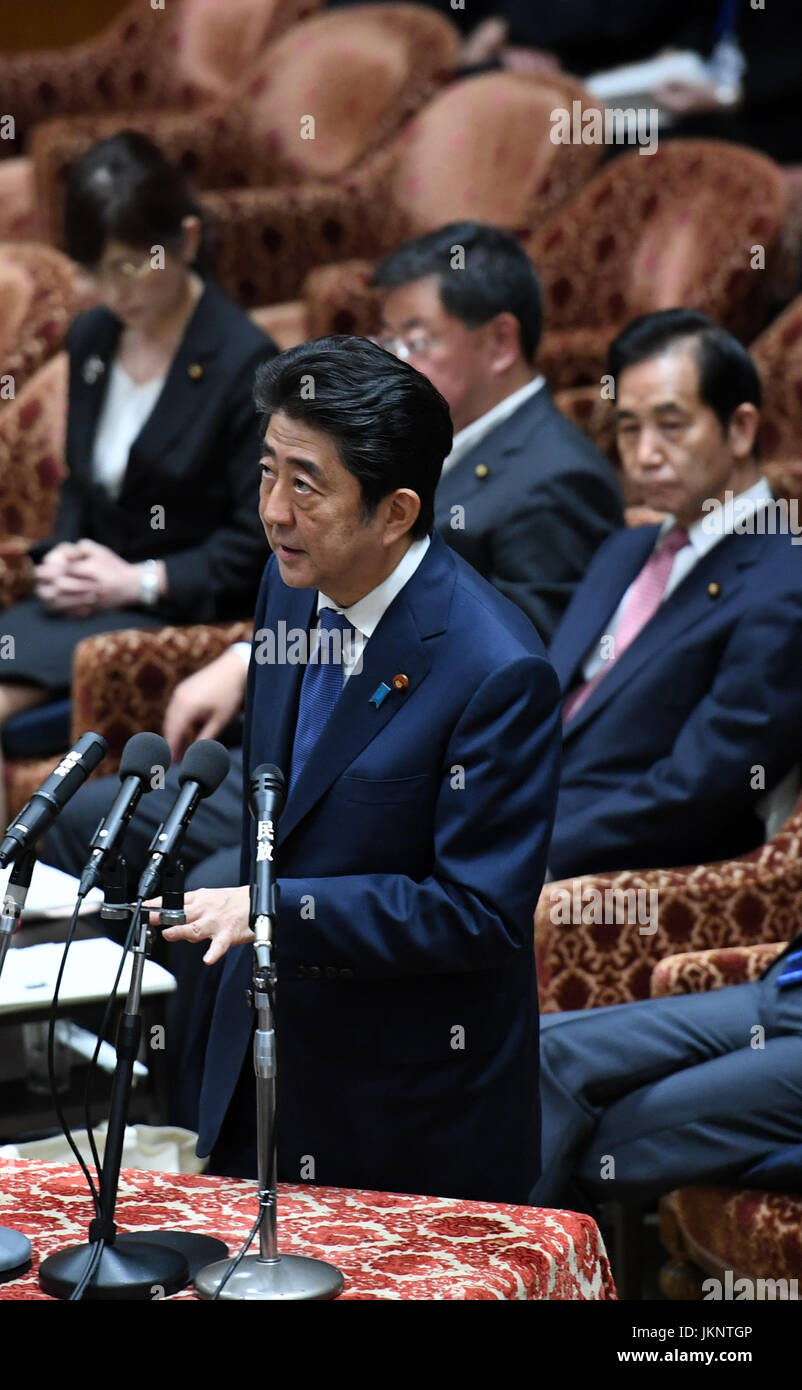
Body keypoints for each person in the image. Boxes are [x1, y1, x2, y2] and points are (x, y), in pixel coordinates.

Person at [147, 335, 562, 1202]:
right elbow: (285, 804)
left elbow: (476, 912)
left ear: (397, 511)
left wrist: (273, 910)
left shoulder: (495, 670)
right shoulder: (290, 582)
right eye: (267, 472)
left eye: (306, 483)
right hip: (269, 1048)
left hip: (406, 1104)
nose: (273, 511)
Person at [0, 131, 274, 874]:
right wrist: (62, 556)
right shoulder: (94, 336)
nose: (116, 291)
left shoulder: (244, 358)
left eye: (131, 267)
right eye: (98, 271)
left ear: (184, 241)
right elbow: (80, 488)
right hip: (84, 596)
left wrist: (139, 578)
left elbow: (252, 544)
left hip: (163, 604)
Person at [548, 309, 802, 880]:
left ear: (739, 429)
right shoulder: (625, 549)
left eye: (672, 425)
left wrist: (527, 854)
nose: (643, 455)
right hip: (504, 824)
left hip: (607, 873)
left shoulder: (785, 580)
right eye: (631, 428)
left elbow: (700, 789)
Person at [371, 222, 623, 643]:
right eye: (388, 340)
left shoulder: (558, 482)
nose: (393, 364)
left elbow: (515, 663)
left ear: (500, 342)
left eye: (415, 342)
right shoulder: (419, 435)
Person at [530, 935, 802, 1210]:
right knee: (543, 1050)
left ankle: (513, 1246)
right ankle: (501, 1240)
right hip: (786, 992)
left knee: (580, 1153)